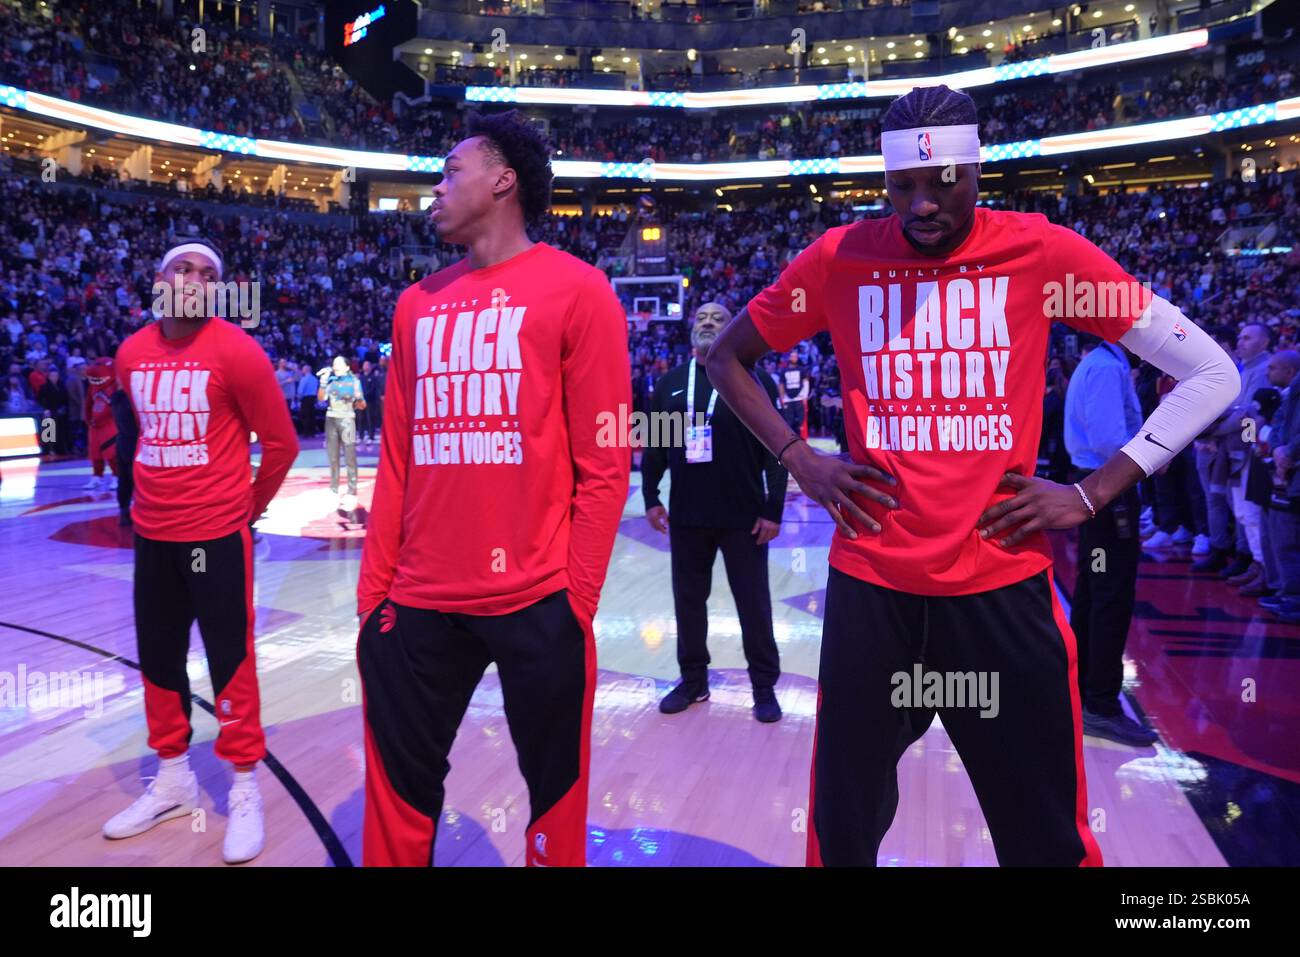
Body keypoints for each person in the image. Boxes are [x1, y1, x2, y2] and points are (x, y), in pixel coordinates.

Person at [705, 85, 1239, 866]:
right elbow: (727, 357)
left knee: (1047, 843)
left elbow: (1210, 372)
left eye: (943, 182)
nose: (921, 205)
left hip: (1000, 587)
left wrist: (1094, 491)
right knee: (840, 839)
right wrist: (799, 459)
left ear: (978, 169)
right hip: (872, 589)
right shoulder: (840, 258)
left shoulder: (1043, 252)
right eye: (903, 187)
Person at [357, 110, 630, 867]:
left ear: (503, 180)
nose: (434, 189)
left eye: (451, 170)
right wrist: (373, 594)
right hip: (415, 604)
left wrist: (574, 599)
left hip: (538, 599)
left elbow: (607, 461)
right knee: (398, 803)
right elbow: (398, 459)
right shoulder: (416, 303)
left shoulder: (580, 291)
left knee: (555, 803)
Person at [103, 237, 298, 864]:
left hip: (216, 537)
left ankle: (244, 787)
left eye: (207, 273)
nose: (193, 278)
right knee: (158, 660)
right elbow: (135, 439)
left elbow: (282, 443)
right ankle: (174, 779)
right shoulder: (131, 353)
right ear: (158, 279)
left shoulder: (237, 351)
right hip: (153, 536)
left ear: (217, 290)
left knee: (229, 664)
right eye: (181, 268)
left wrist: (248, 509)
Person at [642, 301, 788, 722]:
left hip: (745, 517)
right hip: (687, 517)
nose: (708, 323)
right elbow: (654, 449)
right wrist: (651, 497)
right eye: (702, 318)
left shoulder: (756, 381)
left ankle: (763, 686)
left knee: (753, 604)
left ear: (732, 329)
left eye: (718, 318)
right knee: (688, 603)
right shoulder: (668, 384)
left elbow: (776, 451)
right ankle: (693, 682)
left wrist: (773, 510)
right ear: (691, 331)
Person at [1063, 334, 1157, 746]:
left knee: (1093, 590)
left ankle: (1082, 690)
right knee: (1110, 595)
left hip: (1097, 488)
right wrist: (1154, 459)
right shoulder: (1106, 367)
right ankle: (1099, 704)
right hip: (1109, 489)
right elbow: (1108, 440)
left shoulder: (1101, 363)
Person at [317, 355, 365, 511]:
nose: (335, 366)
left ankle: (352, 489)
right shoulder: (330, 381)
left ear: (347, 367)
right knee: (333, 456)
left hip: (347, 421)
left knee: (349, 455)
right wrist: (323, 381)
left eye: (338, 364)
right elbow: (321, 399)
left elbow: (362, 405)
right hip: (331, 420)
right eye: (334, 363)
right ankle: (334, 487)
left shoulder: (354, 382)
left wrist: (358, 399)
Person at [82, 357, 118, 490]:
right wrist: (87, 419)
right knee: (95, 453)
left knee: (112, 453)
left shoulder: (116, 385)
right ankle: (97, 476)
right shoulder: (93, 386)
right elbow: (88, 403)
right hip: (95, 425)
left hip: (110, 423)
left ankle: (117, 476)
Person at [296, 362, 318, 437]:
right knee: (312, 415)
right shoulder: (315, 379)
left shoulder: (304, 379)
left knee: (305, 416)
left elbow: (301, 390)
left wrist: (298, 398)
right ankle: (312, 432)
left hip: (305, 399)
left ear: (305, 370)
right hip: (312, 398)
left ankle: (306, 432)